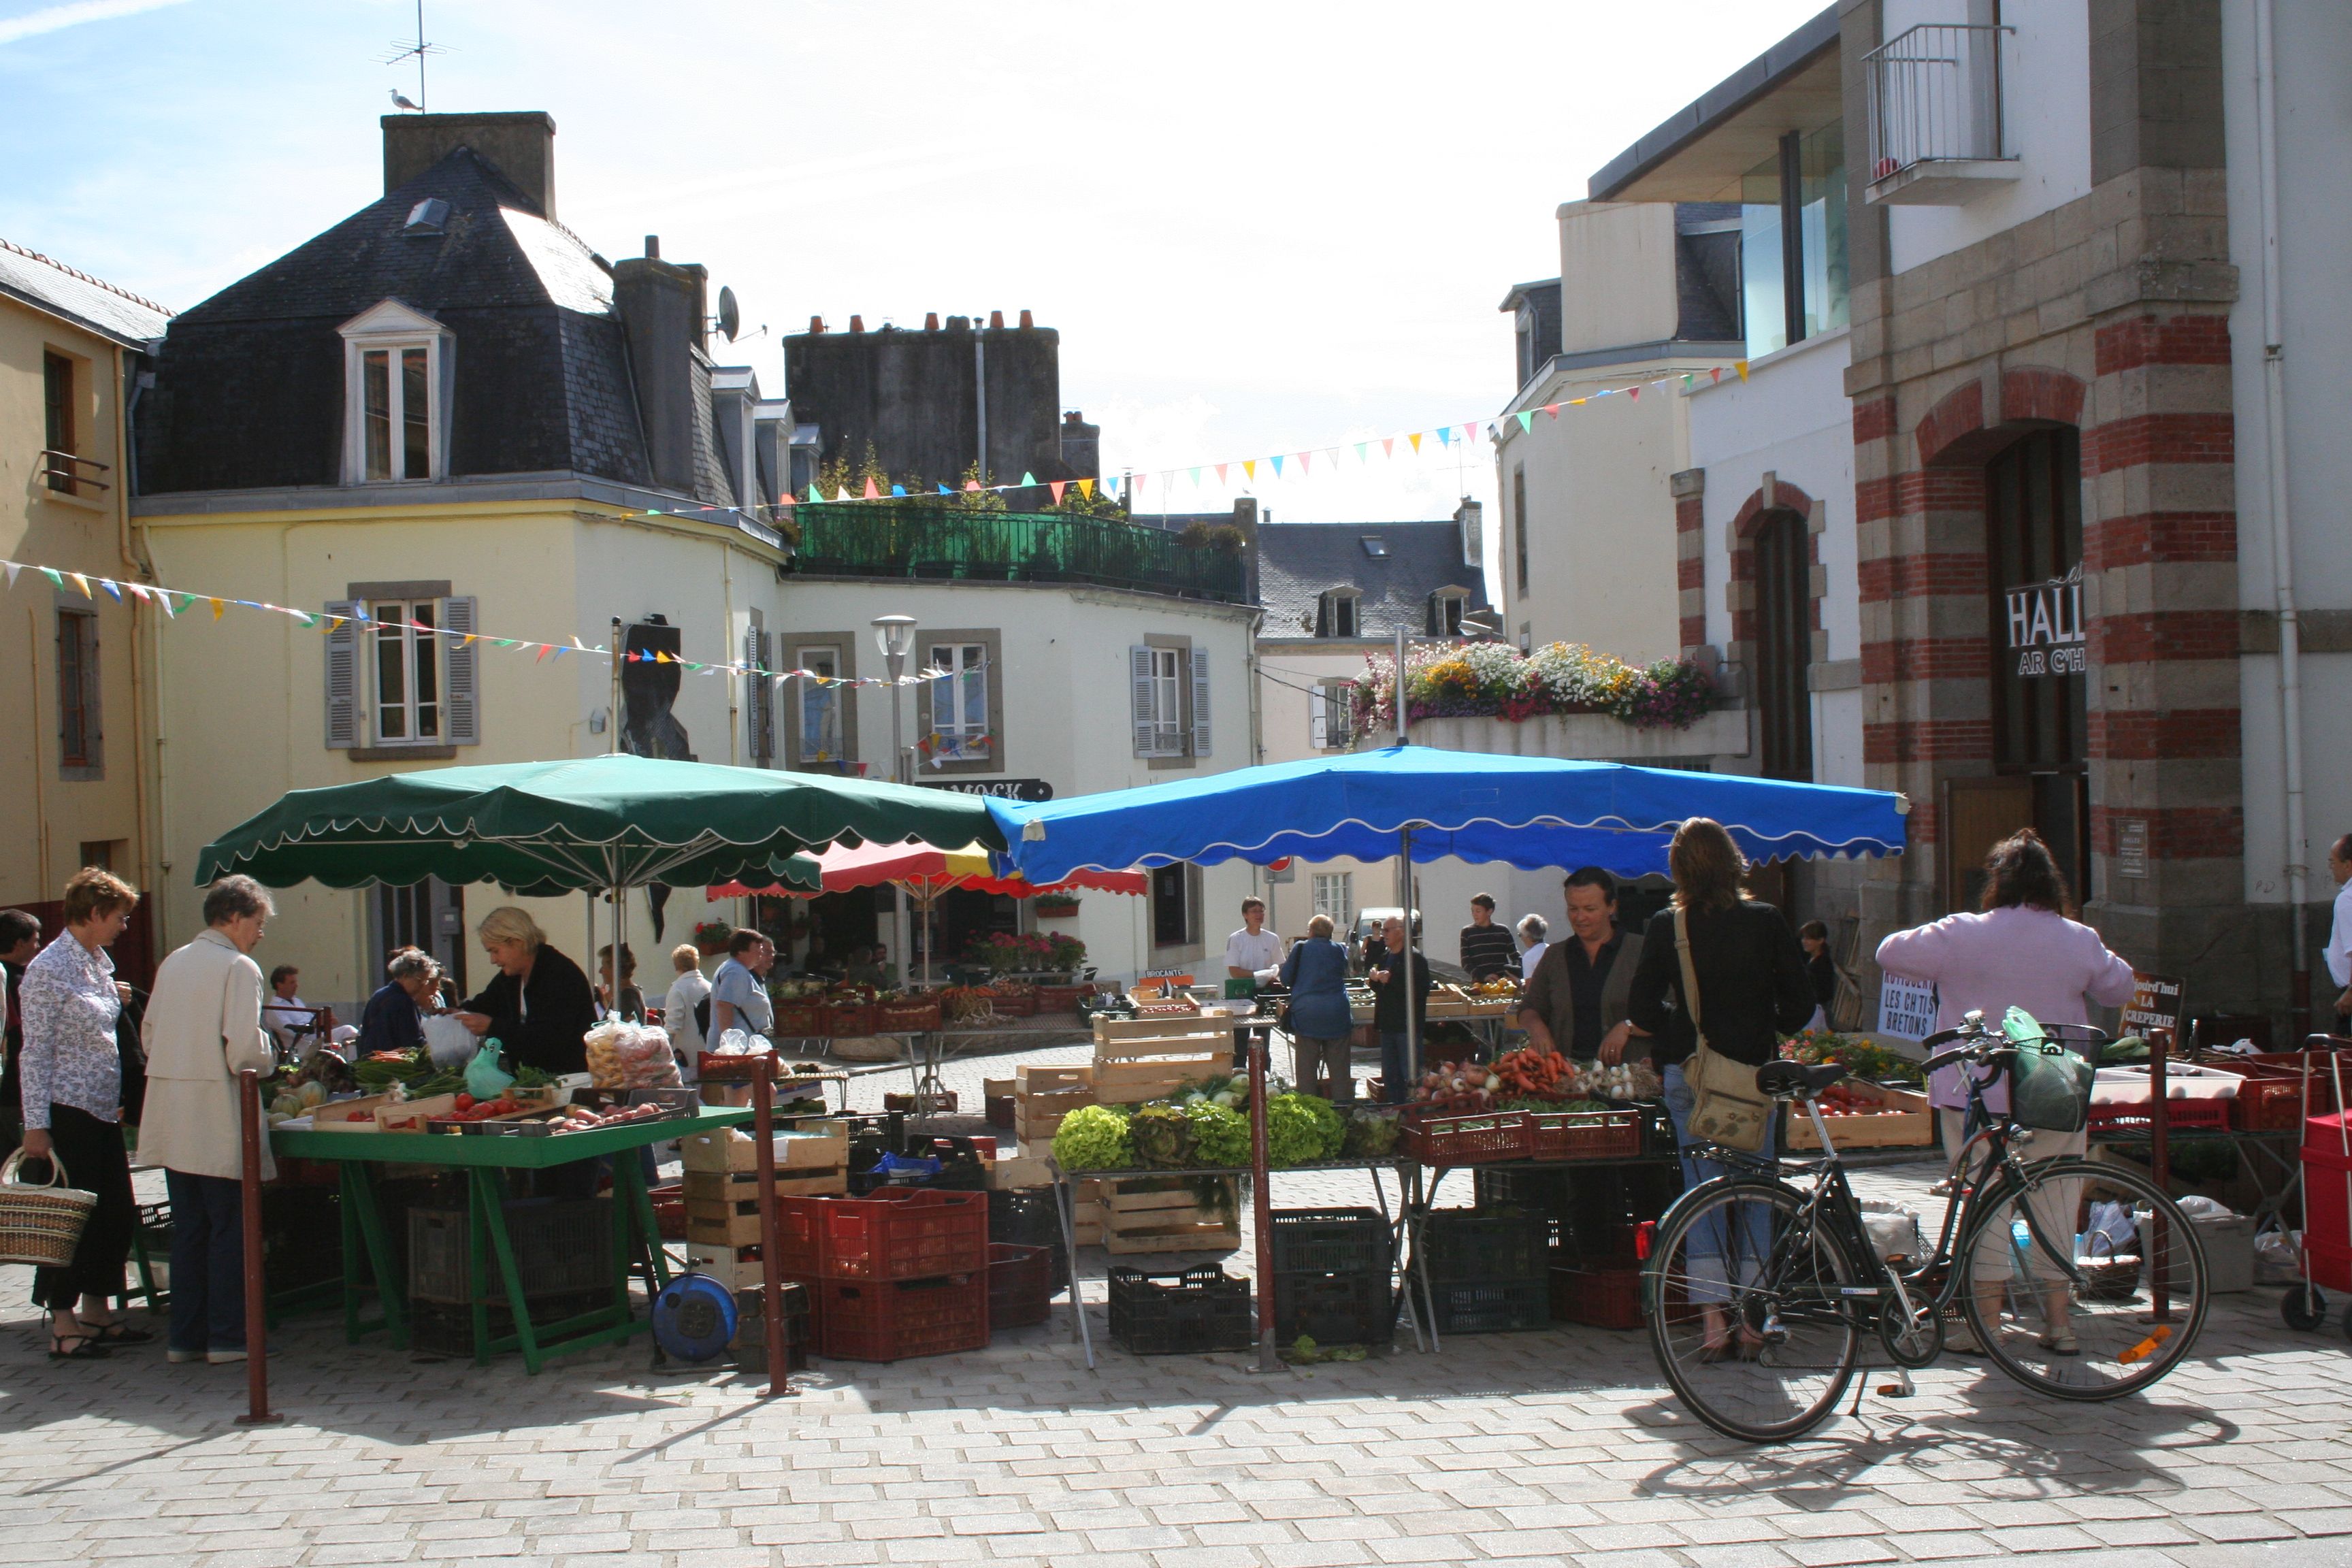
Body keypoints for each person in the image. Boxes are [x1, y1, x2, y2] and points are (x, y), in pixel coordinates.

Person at [1876, 828, 2136, 1356]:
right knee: (2058, 1200)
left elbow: (1888, 952)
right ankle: (2060, 1325)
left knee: (1984, 1206)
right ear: (2051, 884)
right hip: (2053, 1089)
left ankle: (1987, 1326)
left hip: (1975, 1091)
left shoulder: (1961, 932)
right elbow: (2120, 987)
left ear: (1996, 881)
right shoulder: (2077, 938)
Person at [1625, 819, 1814, 1359]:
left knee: (1701, 1195)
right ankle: (1755, 1321)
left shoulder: (1669, 925)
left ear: (1678, 869)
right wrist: (1761, 1021)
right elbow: (1801, 1005)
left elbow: (1641, 1009)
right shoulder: (1766, 920)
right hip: (1753, 1076)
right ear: (1735, 863)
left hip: (1691, 1074)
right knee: (1758, 1194)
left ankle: (1713, 1322)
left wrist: (1681, 1023)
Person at [135, 876, 279, 1365]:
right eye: (258, 922)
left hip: (172, 1113)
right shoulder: (238, 966)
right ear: (235, 918)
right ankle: (228, 1337)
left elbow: (149, 1034)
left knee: (191, 1229)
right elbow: (245, 1051)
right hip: (216, 1114)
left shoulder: (174, 961)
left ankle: (185, 1337)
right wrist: (270, 1055)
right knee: (229, 1228)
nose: (261, 933)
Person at [16, 867, 148, 1360]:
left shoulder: (97, 963)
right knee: (69, 1219)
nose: (124, 926)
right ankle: (63, 1323)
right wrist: (36, 1125)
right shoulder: (48, 970)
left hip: (102, 1108)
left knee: (114, 1213)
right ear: (94, 913)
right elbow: (34, 1052)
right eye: (119, 917)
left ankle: (98, 1310)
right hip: (66, 1110)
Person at [1519, 868, 1648, 1063]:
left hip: (1631, 1073)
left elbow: (1671, 1010)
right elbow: (1530, 1006)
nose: (1580, 917)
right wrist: (1537, 1028)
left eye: (1590, 909)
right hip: (1567, 1073)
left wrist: (1628, 1027)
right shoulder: (1555, 956)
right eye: (1573, 909)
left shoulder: (1640, 951)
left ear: (1612, 907)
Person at [454, 906, 598, 1075]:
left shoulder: (560, 975)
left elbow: (550, 1040)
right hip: (532, 1080)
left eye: (495, 951)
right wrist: (457, 1013)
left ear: (517, 942)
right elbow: (485, 1004)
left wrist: (493, 1026)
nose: (493, 960)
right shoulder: (510, 978)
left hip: (569, 1079)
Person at [1278, 913, 1355, 1101]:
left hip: (1307, 1015)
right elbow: (1344, 971)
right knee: (1340, 1073)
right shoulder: (1339, 949)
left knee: (1307, 1072)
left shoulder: (1301, 948)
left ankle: (1310, 1110)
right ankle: (1343, 1111)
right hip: (1337, 1014)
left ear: (1311, 931)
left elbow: (1286, 979)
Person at [1367, 914, 1434, 1103]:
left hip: (1407, 1026)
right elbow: (1381, 988)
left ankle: (1416, 1111)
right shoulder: (1385, 957)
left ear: (1402, 932)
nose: (1383, 934)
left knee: (1410, 1074)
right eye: (1383, 930)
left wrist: (1391, 979)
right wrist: (1375, 979)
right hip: (1388, 1025)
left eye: (1387, 930)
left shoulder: (1415, 958)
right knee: (1391, 1076)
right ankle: (1397, 1111)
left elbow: (1421, 990)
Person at [1224, 898, 1286, 1068]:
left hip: (1264, 995)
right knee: (1240, 1045)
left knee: (1263, 1044)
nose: (1259, 915)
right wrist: (1257, 974)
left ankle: (1264, 1077)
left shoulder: (1272, 939)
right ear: (1245, 915)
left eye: (1261, 911)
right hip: (1241, 995)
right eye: (1254, 911)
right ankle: (1240, 1075)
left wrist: (1271, 975)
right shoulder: (1236, 939)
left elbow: (1280, 965)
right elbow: (1234, 971)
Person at [1, 906, 44, 1156]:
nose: (38, 947)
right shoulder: (23, 983)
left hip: (10, 1091)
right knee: (32, 1167)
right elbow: (24, 1038)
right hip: (16, 1092)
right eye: (35, 941)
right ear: (19, 943)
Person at [356, 948, 440, 1057]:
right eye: (420, 980)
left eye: (426, 981)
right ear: (405, 976)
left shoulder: (379, 994)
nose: (423, 985)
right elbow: (412, 1041)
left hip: (371, 1058)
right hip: (394, 1061)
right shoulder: (404, 1001)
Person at [709, 928, 776, 1041]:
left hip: (744, 1046)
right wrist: (729, 1044)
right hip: (738, 1047)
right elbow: (724, 1006)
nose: (761, 952)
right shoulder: (736, 971)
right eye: (757, 948)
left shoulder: (737, 969)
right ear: (741, 951)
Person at [662, 943, 711, 1081]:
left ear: (676, 966)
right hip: (709, 1053)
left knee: (690, 1091)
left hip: (686, 1057)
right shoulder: (710, 986)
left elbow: (673, 1025)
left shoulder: (678, 989)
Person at [1458, 893, 1519, 981]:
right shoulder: (1467, 932)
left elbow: (1516, 956)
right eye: (1472, 911)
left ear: (1489, 912)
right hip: (1480, 984)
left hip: (1503, 983)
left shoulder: (1503, 931)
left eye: (1478, 911)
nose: (1474, 915)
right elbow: (1465, 962)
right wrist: (1483, 977)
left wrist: (1513, 973)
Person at [2327, 834, 2352, 1031]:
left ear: (2348, 865)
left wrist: (2351, 992)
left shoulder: (2347, 900)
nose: (2331, 868)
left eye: (2332, 862)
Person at [1799, 920, 1838, 1029]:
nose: (1804, 941)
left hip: (1818, 1011)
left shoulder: (1823, 963)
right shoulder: (1809, 958)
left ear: (1821, 940)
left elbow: (1824, 992)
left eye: (1809, 939)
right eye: (1803, 938)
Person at [596, 943, 644, 1022]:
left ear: (615, 969)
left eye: (603, 966)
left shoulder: (628, 995)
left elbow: (632, 1024)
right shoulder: (625, 994)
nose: (600, 971)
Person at [1515, 914, 1549, 981]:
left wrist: (1518, 982)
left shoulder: (1529, 956)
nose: (1521, 938)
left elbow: (1530, 985)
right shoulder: (1553, 950)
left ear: (1528, 936)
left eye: (1520, 935)